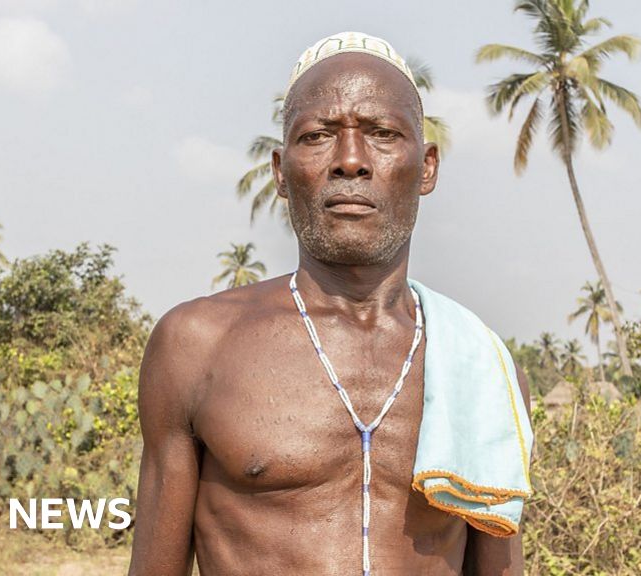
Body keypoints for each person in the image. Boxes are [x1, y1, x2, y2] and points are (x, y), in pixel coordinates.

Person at [128, 32, 533, 576]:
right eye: (318, 136)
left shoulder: (479, 364)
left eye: (383, 134)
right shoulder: (196, 345)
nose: (350, 160)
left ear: (428, 167)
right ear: (279, 170)